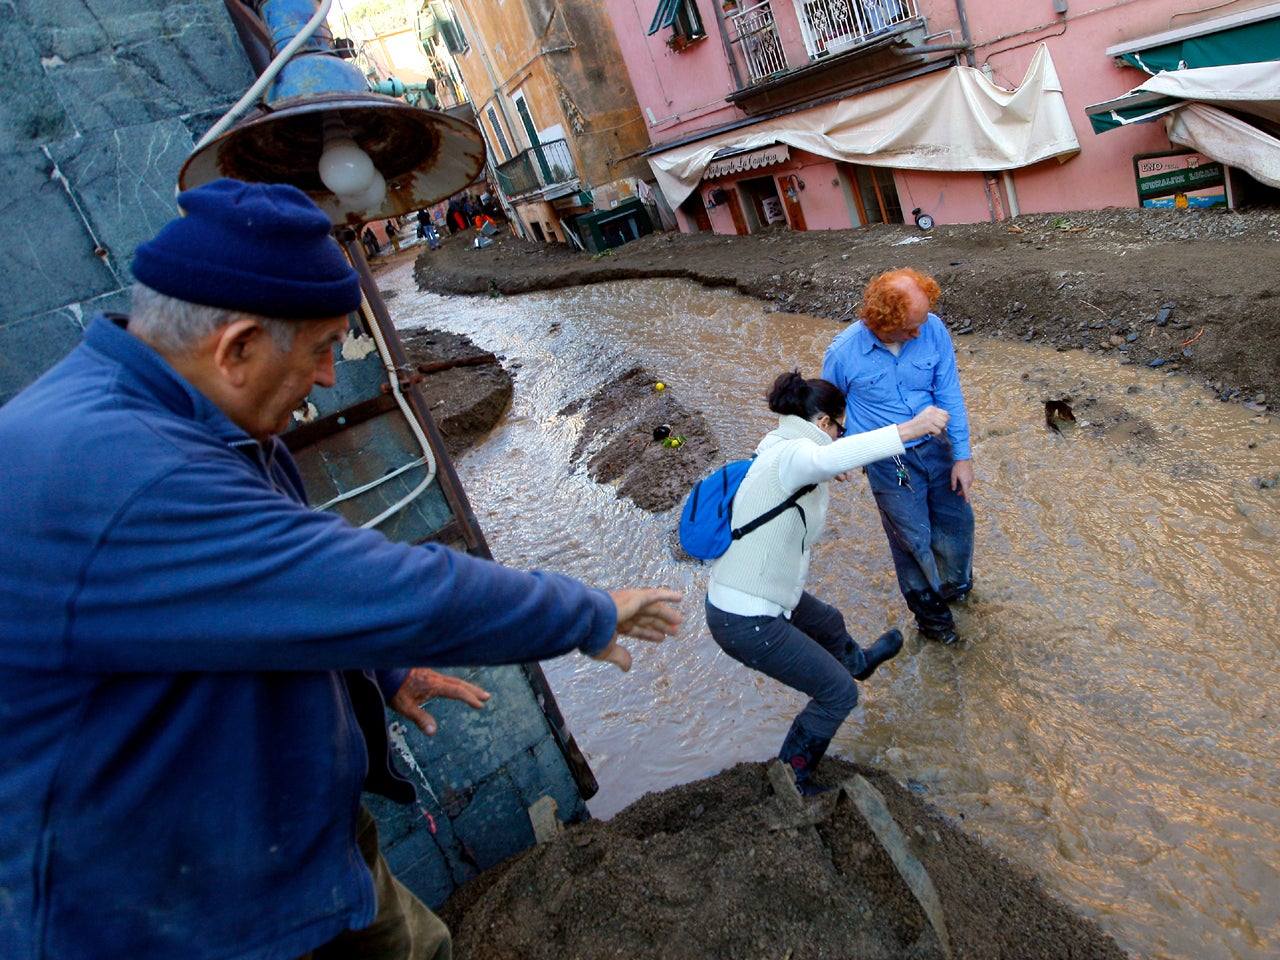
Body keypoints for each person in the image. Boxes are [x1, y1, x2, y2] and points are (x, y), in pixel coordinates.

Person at [0, 179, 683, 960]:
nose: (331, 379)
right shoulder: (121, 473)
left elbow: (277, 594)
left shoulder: (190, 422)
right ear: (238, 348)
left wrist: (383, 670)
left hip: (288, 845)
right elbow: (389, 587)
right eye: (324, 349)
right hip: (184, 912)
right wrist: (589, 613)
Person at [704, 370, 948, 795]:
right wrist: (909, 429)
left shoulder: (777, 445)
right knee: (837, 696)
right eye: (840, 428)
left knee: (828, 621)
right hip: (745, 620)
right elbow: (818, 458)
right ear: (822, 424)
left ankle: (858, 662)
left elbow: (810, 464)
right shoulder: (797, 455)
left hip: (745, 593)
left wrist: (822, 466)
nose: (841, 435)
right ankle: (793, 776)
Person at [822, 267, 975, 646]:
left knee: (958, 525)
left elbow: (950, 392)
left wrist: (963, 457)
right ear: (881, 321)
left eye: (922, 322)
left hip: (938, 449)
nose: (919, 333)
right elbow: (826, 413)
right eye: (911, 327)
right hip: (890, 463)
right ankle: (936, 626)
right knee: (911, 540)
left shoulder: (933, 328)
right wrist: (832, 454)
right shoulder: (843, 354)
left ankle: (957, 592)